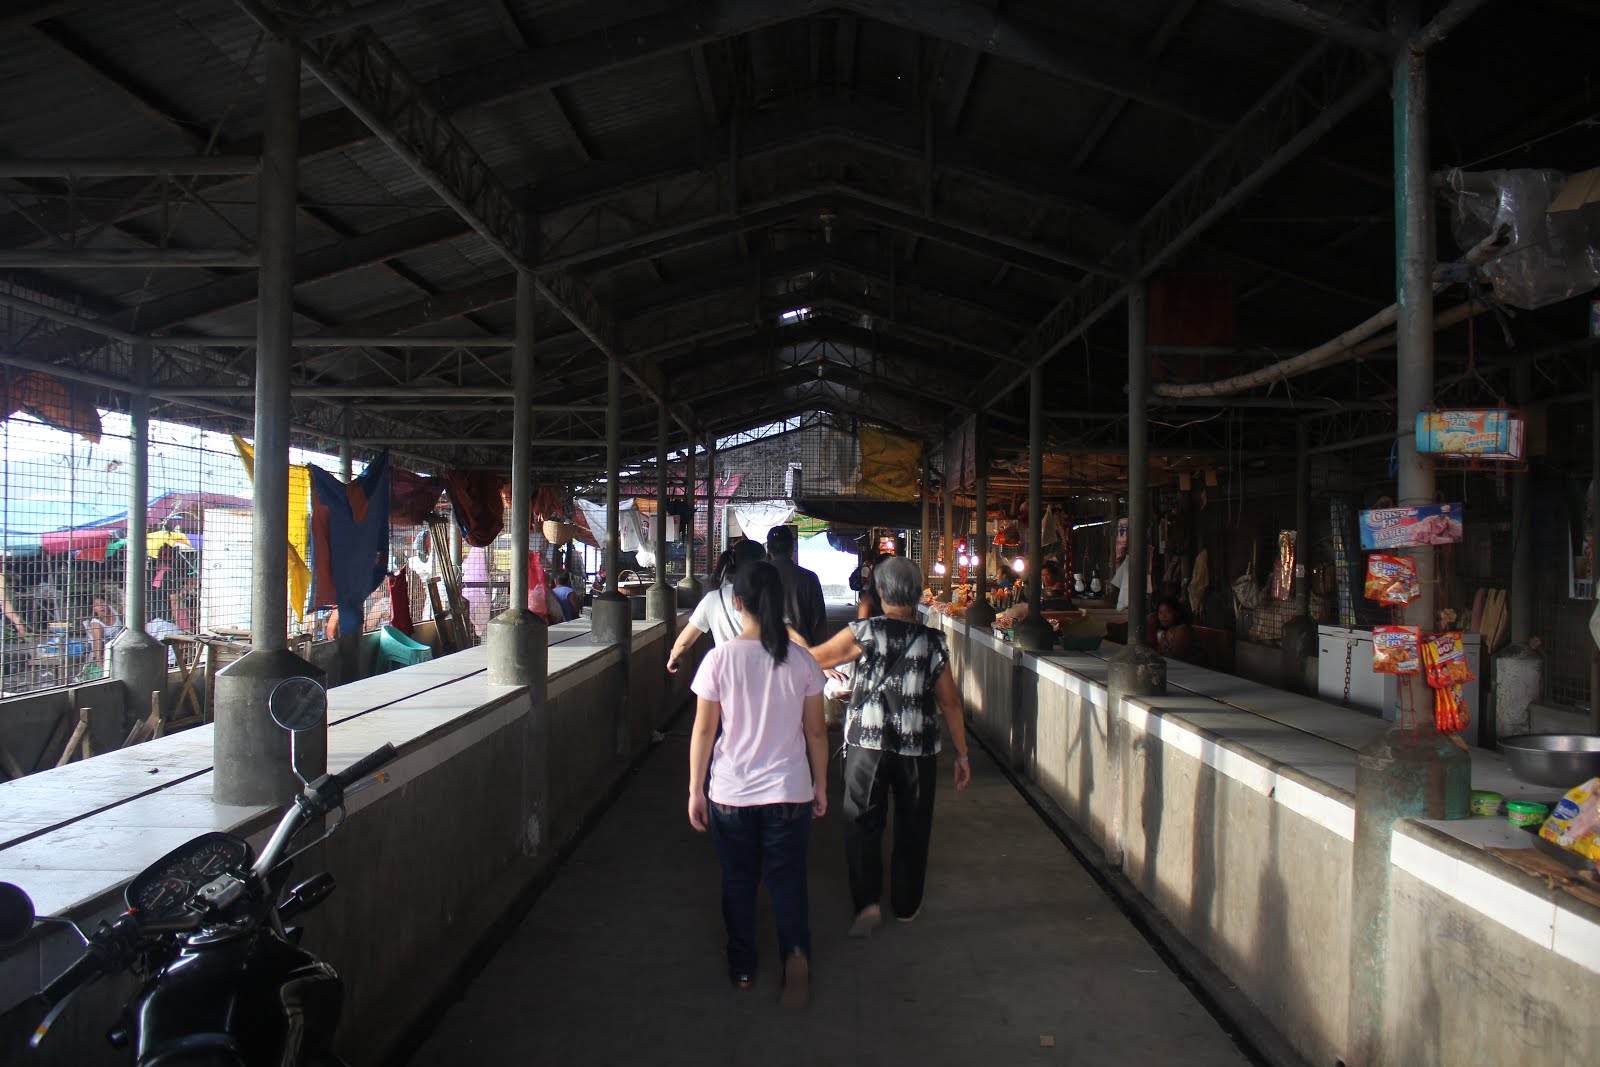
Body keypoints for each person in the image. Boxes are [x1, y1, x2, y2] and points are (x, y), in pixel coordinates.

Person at [687, 561, 828, 1007]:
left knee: (738, 881)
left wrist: (695, 788)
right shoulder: (801, 659)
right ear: (780, 604)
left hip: (732, 794)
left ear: (737, 603)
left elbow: (705, 732)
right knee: (788, 880)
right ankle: (797, 957)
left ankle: (744, 967)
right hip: (790, 790)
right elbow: (817, 732)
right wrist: (821, 784)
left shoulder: (719, 659)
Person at [806, 556, 971, 936]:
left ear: (881, 592)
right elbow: (950, 703)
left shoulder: (865, 632)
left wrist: (825, 665)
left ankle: (867, 904)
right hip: (919, 750)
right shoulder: (933, 641)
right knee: (914, 826)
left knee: (862, 822)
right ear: (915, 596)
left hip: (868, 744)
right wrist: (961, 753)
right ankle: (907, 904)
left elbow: (812, 658)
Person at [666, 539, 767, 672]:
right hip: (763, 673)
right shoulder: (768, 596)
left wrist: (674, 657)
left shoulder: (713, 599)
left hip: (726, 674)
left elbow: (684, 641)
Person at [766, 525, 827, 647]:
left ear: (768, 548)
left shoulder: (757, 576)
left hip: (766, 650)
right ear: (792, 547)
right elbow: (818, 623)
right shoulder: (809, 578)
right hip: (801, 651)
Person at [79, 593, 123, 680]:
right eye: (97, 605)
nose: (101, 606)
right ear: (94, 609)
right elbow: (97, 641)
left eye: (102, 603)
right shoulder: (96, 623)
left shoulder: (115, 610)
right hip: (103, 650)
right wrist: (99, 662)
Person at [1147, 594, 1200, 663]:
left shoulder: (1182, 630)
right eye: (1160, 613)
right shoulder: (1164, 632)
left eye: (1168, 611)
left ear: (1176, 612)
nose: (1164, 616)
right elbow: (1159, 652)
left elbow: (1176, 657)